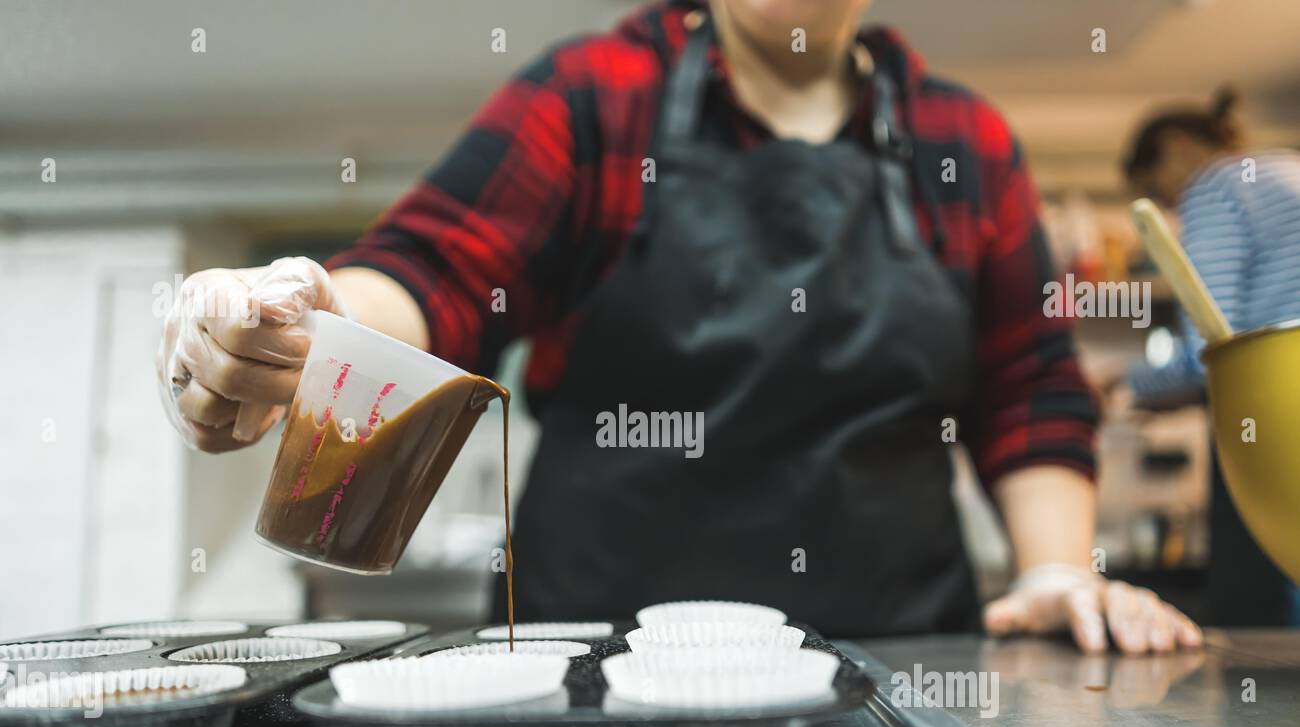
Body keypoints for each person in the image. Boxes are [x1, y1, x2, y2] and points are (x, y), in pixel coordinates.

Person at [157, 0, 1201, 653]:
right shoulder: (595, 95)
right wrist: (311, 325)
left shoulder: (961, 139)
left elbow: (1031, 389)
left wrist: (1058, 567)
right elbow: (437, 276)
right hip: (589, 674)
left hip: (896, 674)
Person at [1121, 87, 1300, 625]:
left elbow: (1209, 345)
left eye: (1161, 193)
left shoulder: (1216, 187)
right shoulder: (1285, 169)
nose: (1175, 209)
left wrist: (1128, 384)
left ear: (1177, 148)